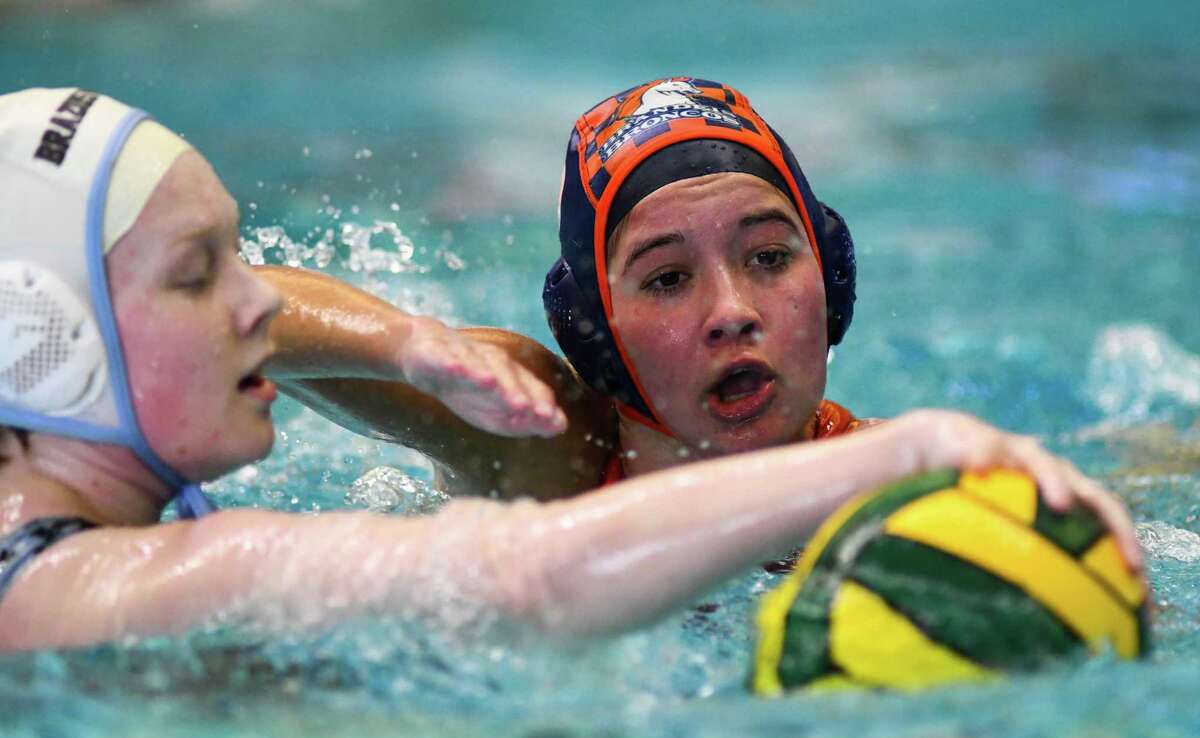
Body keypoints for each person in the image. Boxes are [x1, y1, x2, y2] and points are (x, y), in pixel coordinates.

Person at [0, 87, 1137, 653]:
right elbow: (524, 577)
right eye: (663, 278)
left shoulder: (906, 497)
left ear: (830, 276)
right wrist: (406, 346)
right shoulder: (539, 429)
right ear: (594, 333)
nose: (733, 311)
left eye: (769, 256)